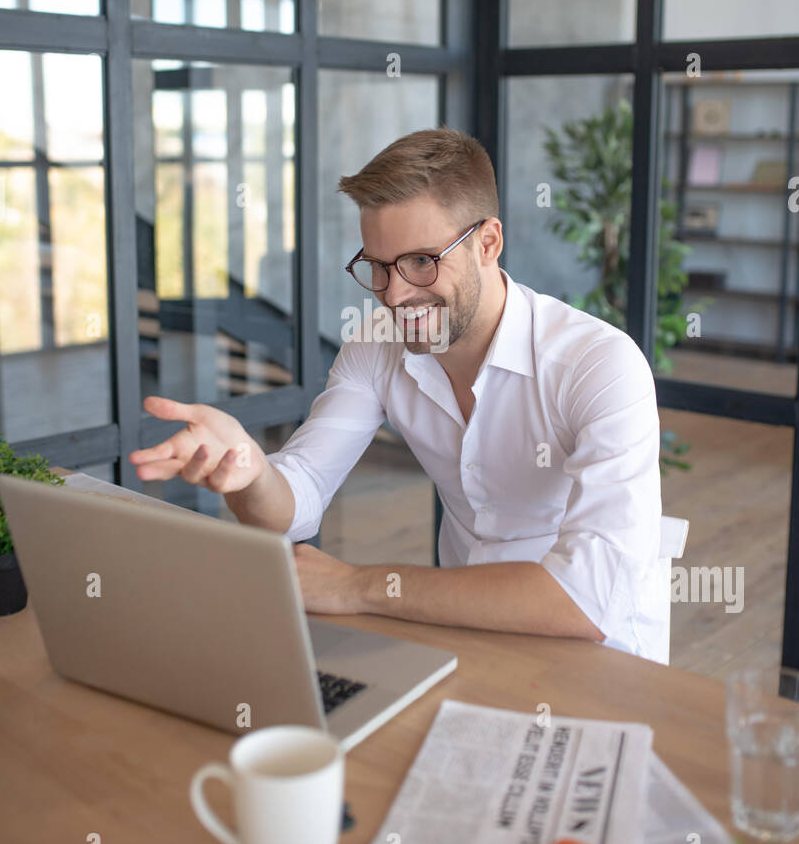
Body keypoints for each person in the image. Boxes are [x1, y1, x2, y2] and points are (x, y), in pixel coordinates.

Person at [129, 127, 666, 663]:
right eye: (379, 266)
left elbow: (586, 600)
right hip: (462, 632)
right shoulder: (377, 347)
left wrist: (356, 587)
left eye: (422, 262)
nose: (395, 294)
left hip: (602, 658)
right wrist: (248, 470)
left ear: (488, 243)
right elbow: (297, 500)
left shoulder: (598, 366)